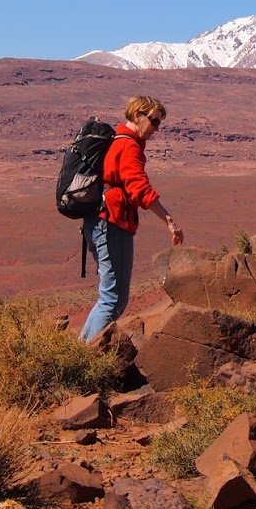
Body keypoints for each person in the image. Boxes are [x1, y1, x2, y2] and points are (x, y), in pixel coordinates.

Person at [80, 95, 183, 342]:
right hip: (111, 222)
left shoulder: (116, 140)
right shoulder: (128, 146)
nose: (156, 129)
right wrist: (168, 220)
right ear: (137, 116)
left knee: (108, 296)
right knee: (113, 298)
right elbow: (139, 188)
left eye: (159, 123)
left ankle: (80, 352)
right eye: (154, 121)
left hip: (97, 221)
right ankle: (88, 360)